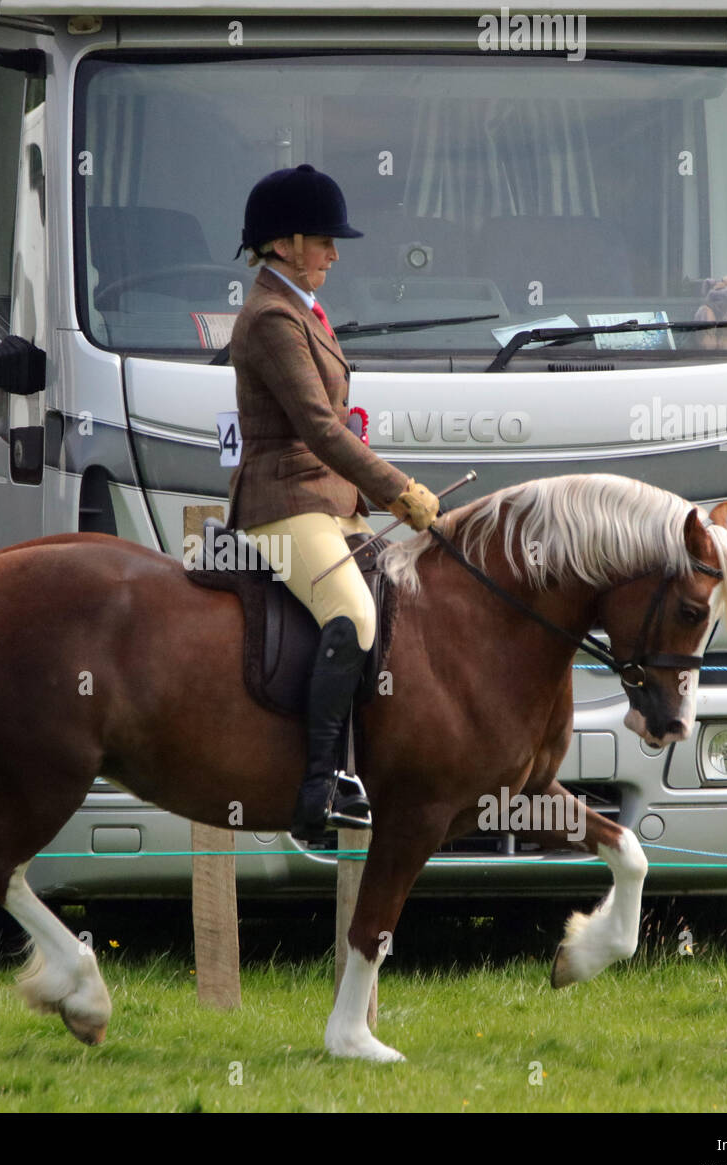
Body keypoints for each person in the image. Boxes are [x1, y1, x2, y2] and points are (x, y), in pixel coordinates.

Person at [227, 163, 440, 840]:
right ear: (285, 243)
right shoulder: (269, 316)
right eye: (324, 240)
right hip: (283, 504)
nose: (335, 253)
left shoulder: (301, 306)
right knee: (352, 612)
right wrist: (398, 491)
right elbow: (317, 427)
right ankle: (320, 784)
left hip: (326, 499)